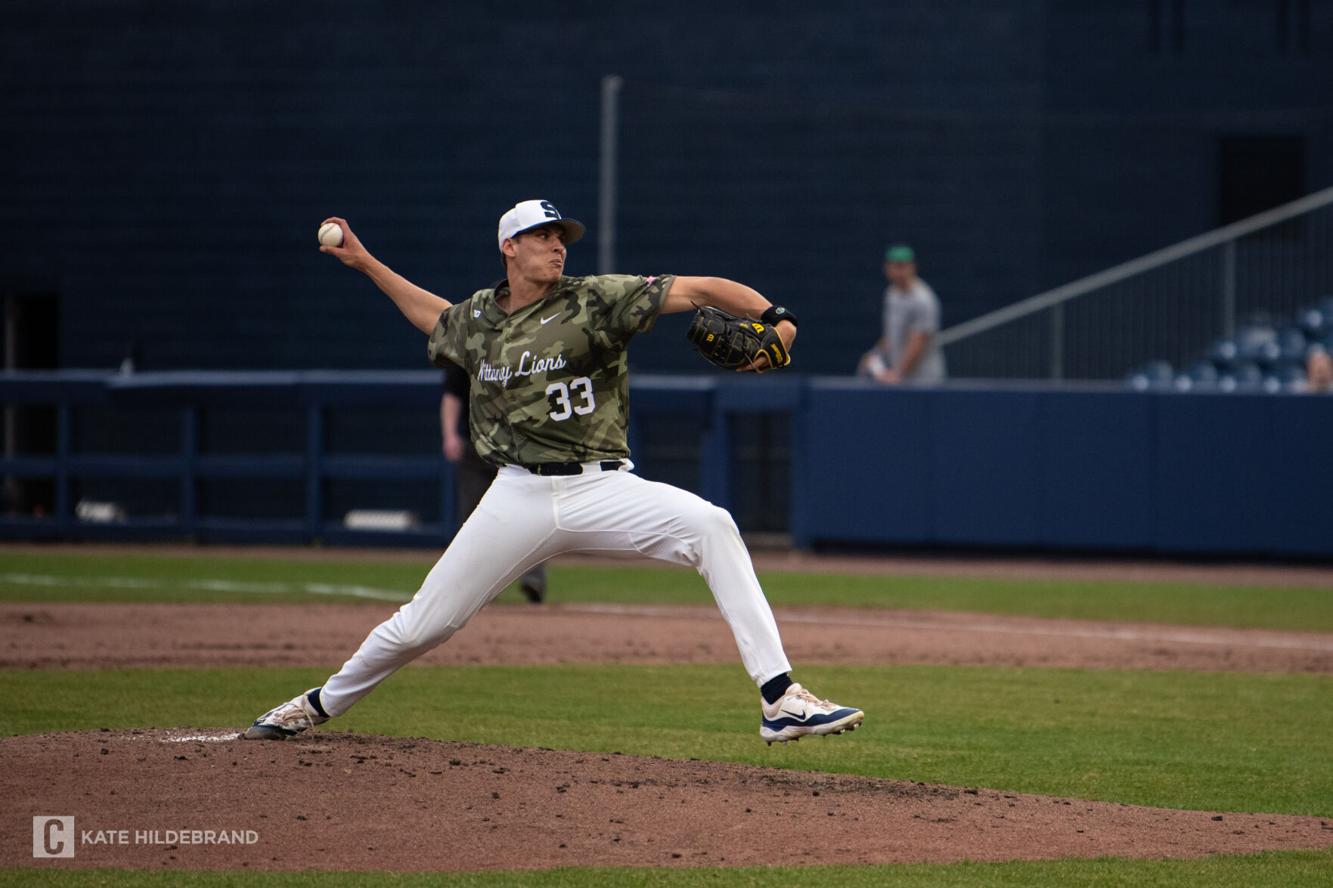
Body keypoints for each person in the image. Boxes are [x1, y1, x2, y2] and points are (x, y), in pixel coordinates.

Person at [243, 199, 864, 745]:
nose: (556, 246)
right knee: (423, 625)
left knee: (712, 525)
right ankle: (316, 705)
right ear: (509, 247)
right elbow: (436, 318)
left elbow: (701, 288)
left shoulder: (596, 299)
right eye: (543, 236)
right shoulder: (481, 318)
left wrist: (780, 319)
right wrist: (367, 264)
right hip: (518, 494)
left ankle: (780, 697)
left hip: (603, 485)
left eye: (561, 237)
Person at [441, 361, 547, 602]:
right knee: (473, 519)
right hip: (478, 447)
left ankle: (533, 579)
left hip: (521, 449)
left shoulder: (529, 344)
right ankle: (476, 585)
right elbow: (452, 394)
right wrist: (449, 434)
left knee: (531, 515)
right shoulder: (471, 345)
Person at [858, 244, 947, 384]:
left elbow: (919, 340)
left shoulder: (923, 299)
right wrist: (875, 354)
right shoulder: (891, 294)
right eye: (896, 266)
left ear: (913, 267)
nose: (900, 271)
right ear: (887, 268)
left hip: (925, 382)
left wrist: (898, 374)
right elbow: (891, 335)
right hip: (903, 380)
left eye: (904, 266)